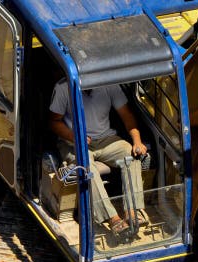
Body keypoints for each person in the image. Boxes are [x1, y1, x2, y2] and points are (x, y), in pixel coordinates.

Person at [49, 80, 149, 237]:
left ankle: (132, 211)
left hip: (105, 139)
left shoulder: (110, 83)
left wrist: (137, 141)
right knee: (86, 166)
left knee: (130, 154)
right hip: (72, 141)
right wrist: (74, 136)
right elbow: (54, 122)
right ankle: (112, 218)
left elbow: (127, 115)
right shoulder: (63, 87)